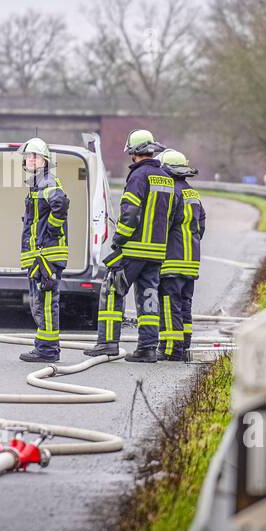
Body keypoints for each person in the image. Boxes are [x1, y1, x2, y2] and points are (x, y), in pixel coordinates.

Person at [87, 129, 174, 363]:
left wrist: (118, 240)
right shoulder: (166, 177)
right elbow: (172, 216)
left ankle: (107, 343)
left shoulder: (138, 176)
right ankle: (147, 348)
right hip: (156, 252)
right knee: (148, 296)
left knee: (112, 290)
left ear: (134, 152)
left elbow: (131, 213)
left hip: (134, 249)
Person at [16, 138, 69, 363]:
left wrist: (50, 233)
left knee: (46, 302)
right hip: (40, 255)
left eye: (36, 156)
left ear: (46, 160)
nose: (31, 159)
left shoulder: (48, 182)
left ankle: (47, 350)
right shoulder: (37, 183)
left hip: (46, 255)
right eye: (29, 156)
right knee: (40, 302)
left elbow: (61, 205)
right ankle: (46, 346)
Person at [157, 149, 205, 362]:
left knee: (170, 304)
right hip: (191, 261)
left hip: (172, 261)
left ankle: (171, 348)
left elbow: (162, 225)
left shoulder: (170, 193)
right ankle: (184, 344)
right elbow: (200, 227)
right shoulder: (193, 194)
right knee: (185, 304)